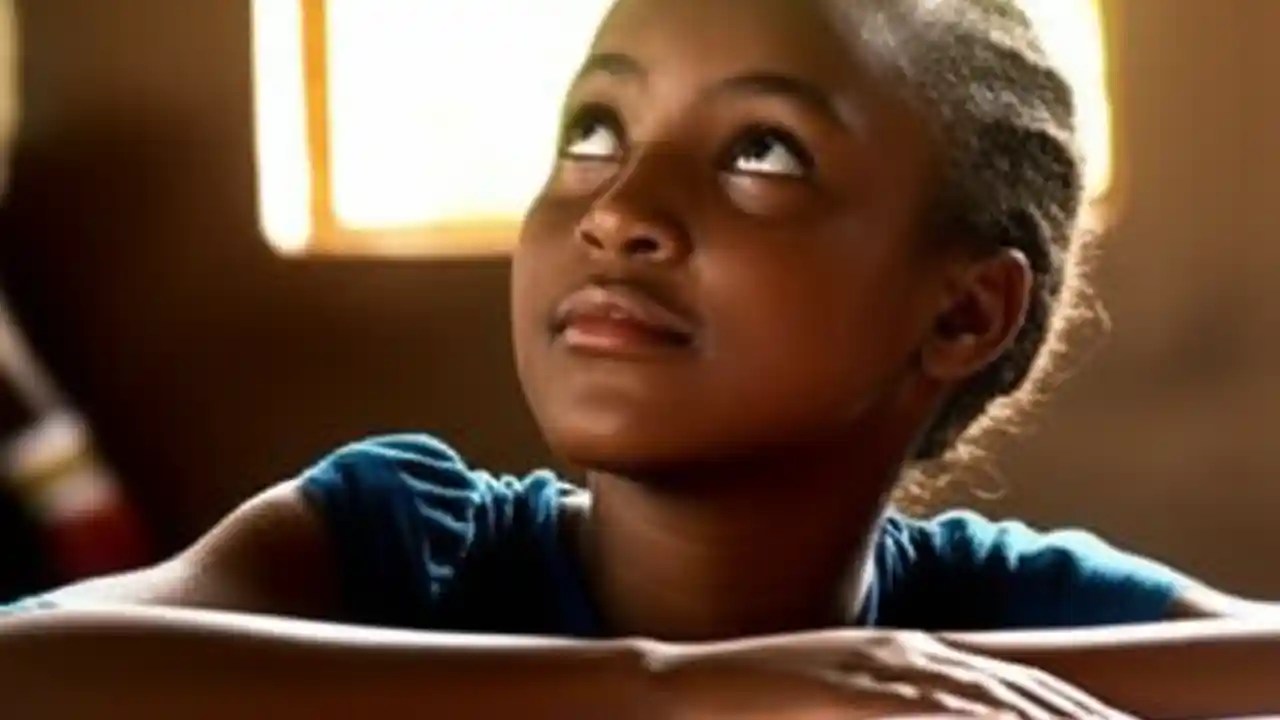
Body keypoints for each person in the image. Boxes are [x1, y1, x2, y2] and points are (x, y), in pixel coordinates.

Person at [3, 0, 1279, 717]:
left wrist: (882, 691)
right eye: (595, 130)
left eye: (761, 153)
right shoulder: (396, 551)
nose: (619, 207)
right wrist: (676, 694)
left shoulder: (993, 608)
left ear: (959, 318)